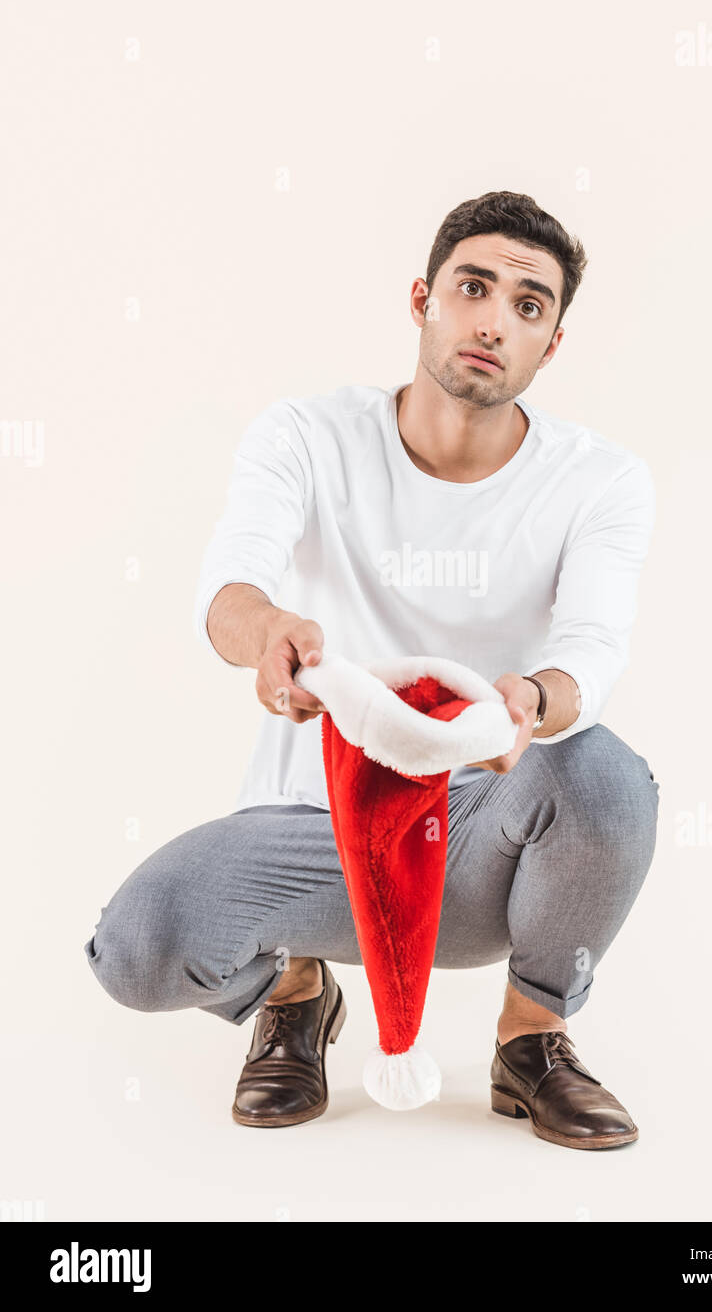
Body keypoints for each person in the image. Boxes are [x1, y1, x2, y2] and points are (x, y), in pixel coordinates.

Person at [84, 190, 660, 1150]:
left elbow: (591, 649)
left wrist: (534, 699)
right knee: (133, 951)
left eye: (527, 305)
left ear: (551, 345)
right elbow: (231, 581)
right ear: (422, 300)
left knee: (605, 776)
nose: (491, 320)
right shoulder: (307, 434)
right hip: (316, 828)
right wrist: (266, 633)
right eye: (472, 287)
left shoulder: (600, 480)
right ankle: (296, 992)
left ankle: (533, 1039)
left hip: (478, 829)